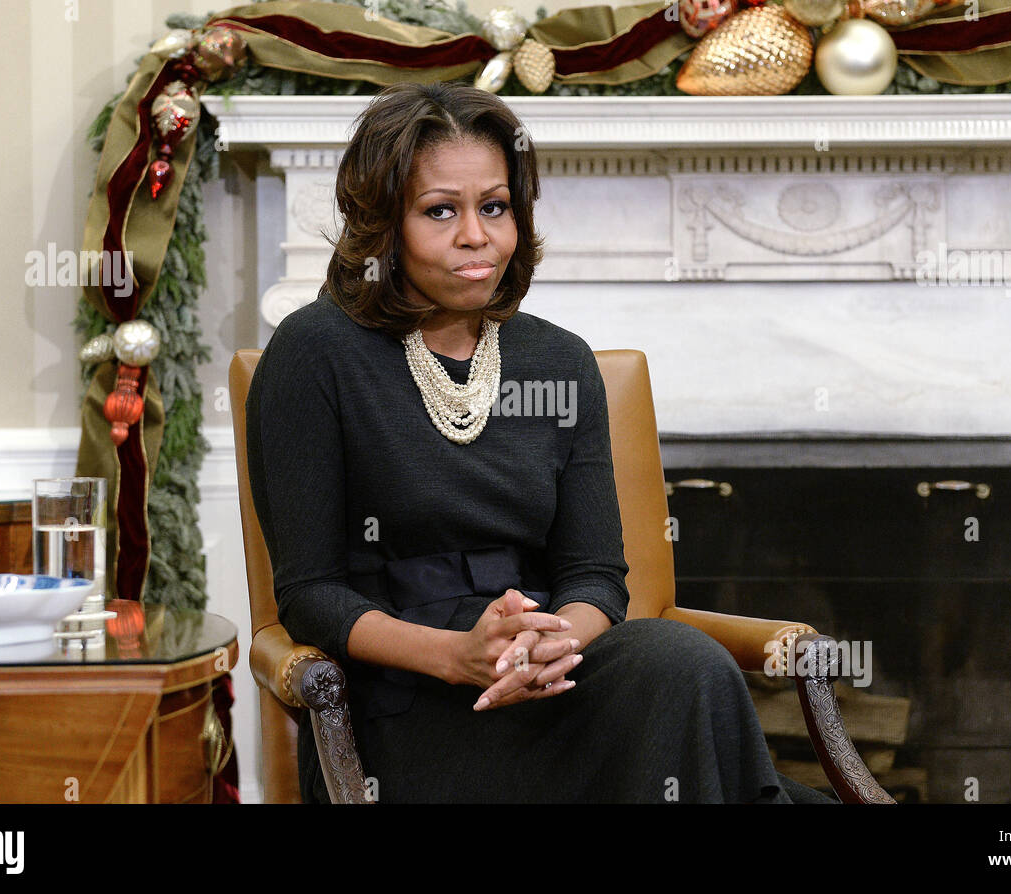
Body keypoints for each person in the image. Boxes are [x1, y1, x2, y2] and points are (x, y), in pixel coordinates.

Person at [244, 81, 834, 804]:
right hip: (405, 707)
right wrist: (460, 657)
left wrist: (547, 645)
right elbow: (309, 595)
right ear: (381, 225)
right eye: (439, 211)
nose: (476, 236)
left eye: (494, 207)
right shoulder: (314, 353)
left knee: (685, 661)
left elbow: (595, 574)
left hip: (556, 679)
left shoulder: (559, 360)